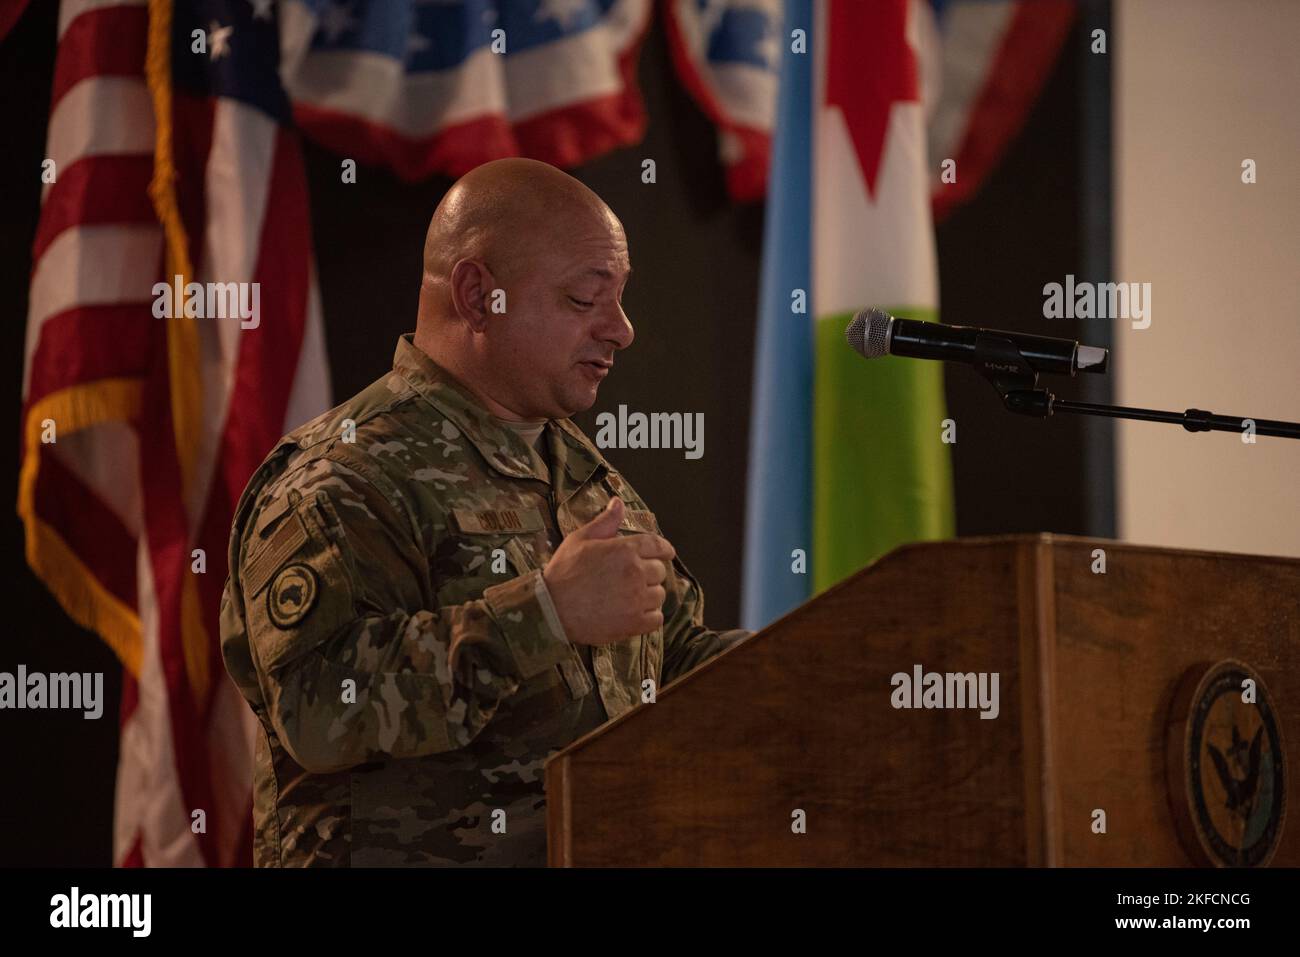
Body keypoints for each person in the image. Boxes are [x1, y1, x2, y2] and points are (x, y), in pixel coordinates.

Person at [219, 157, 751, 867]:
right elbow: (318, 708)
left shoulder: (584, 477)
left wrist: (826, 654)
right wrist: (544, 613)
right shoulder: (342, 477)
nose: (621, 329)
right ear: (478, 295)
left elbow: (671, 659)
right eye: (582, 299)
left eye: (620, 299)